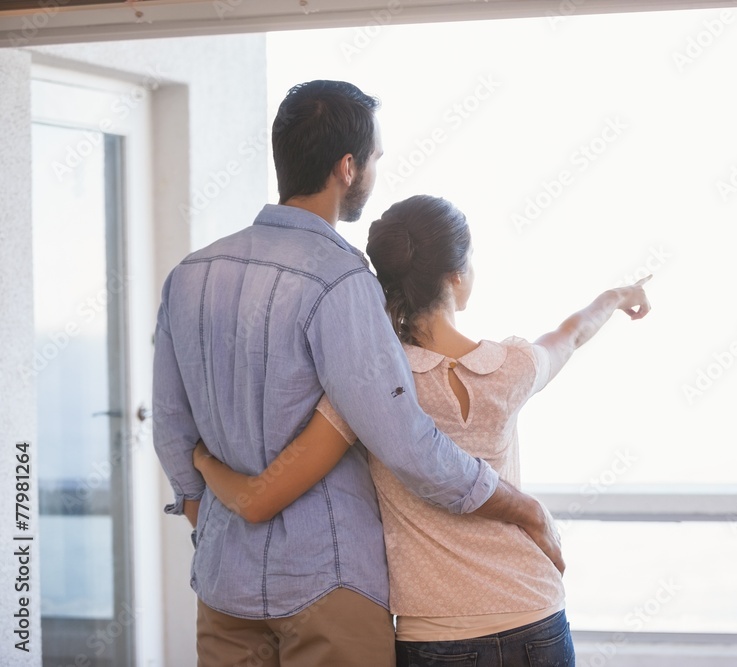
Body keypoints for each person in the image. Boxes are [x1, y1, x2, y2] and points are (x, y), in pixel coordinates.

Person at [152, 82, 561, 667]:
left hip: (223, 582)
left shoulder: (191, 275)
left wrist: (209, 520)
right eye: (374, 158)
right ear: (348, 167)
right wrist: (522, 508)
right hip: (330, 582)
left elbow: (170, 425)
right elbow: (407, 443)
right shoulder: (342, 280)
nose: (373, 169)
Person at [192, 194, 652, 666]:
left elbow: (260, 499)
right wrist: (618, 297)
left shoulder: (367, 385)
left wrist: (203, 462)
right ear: (456, 275)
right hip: (534, 613)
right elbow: (571, 333)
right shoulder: (512, 368)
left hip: (438, 634)